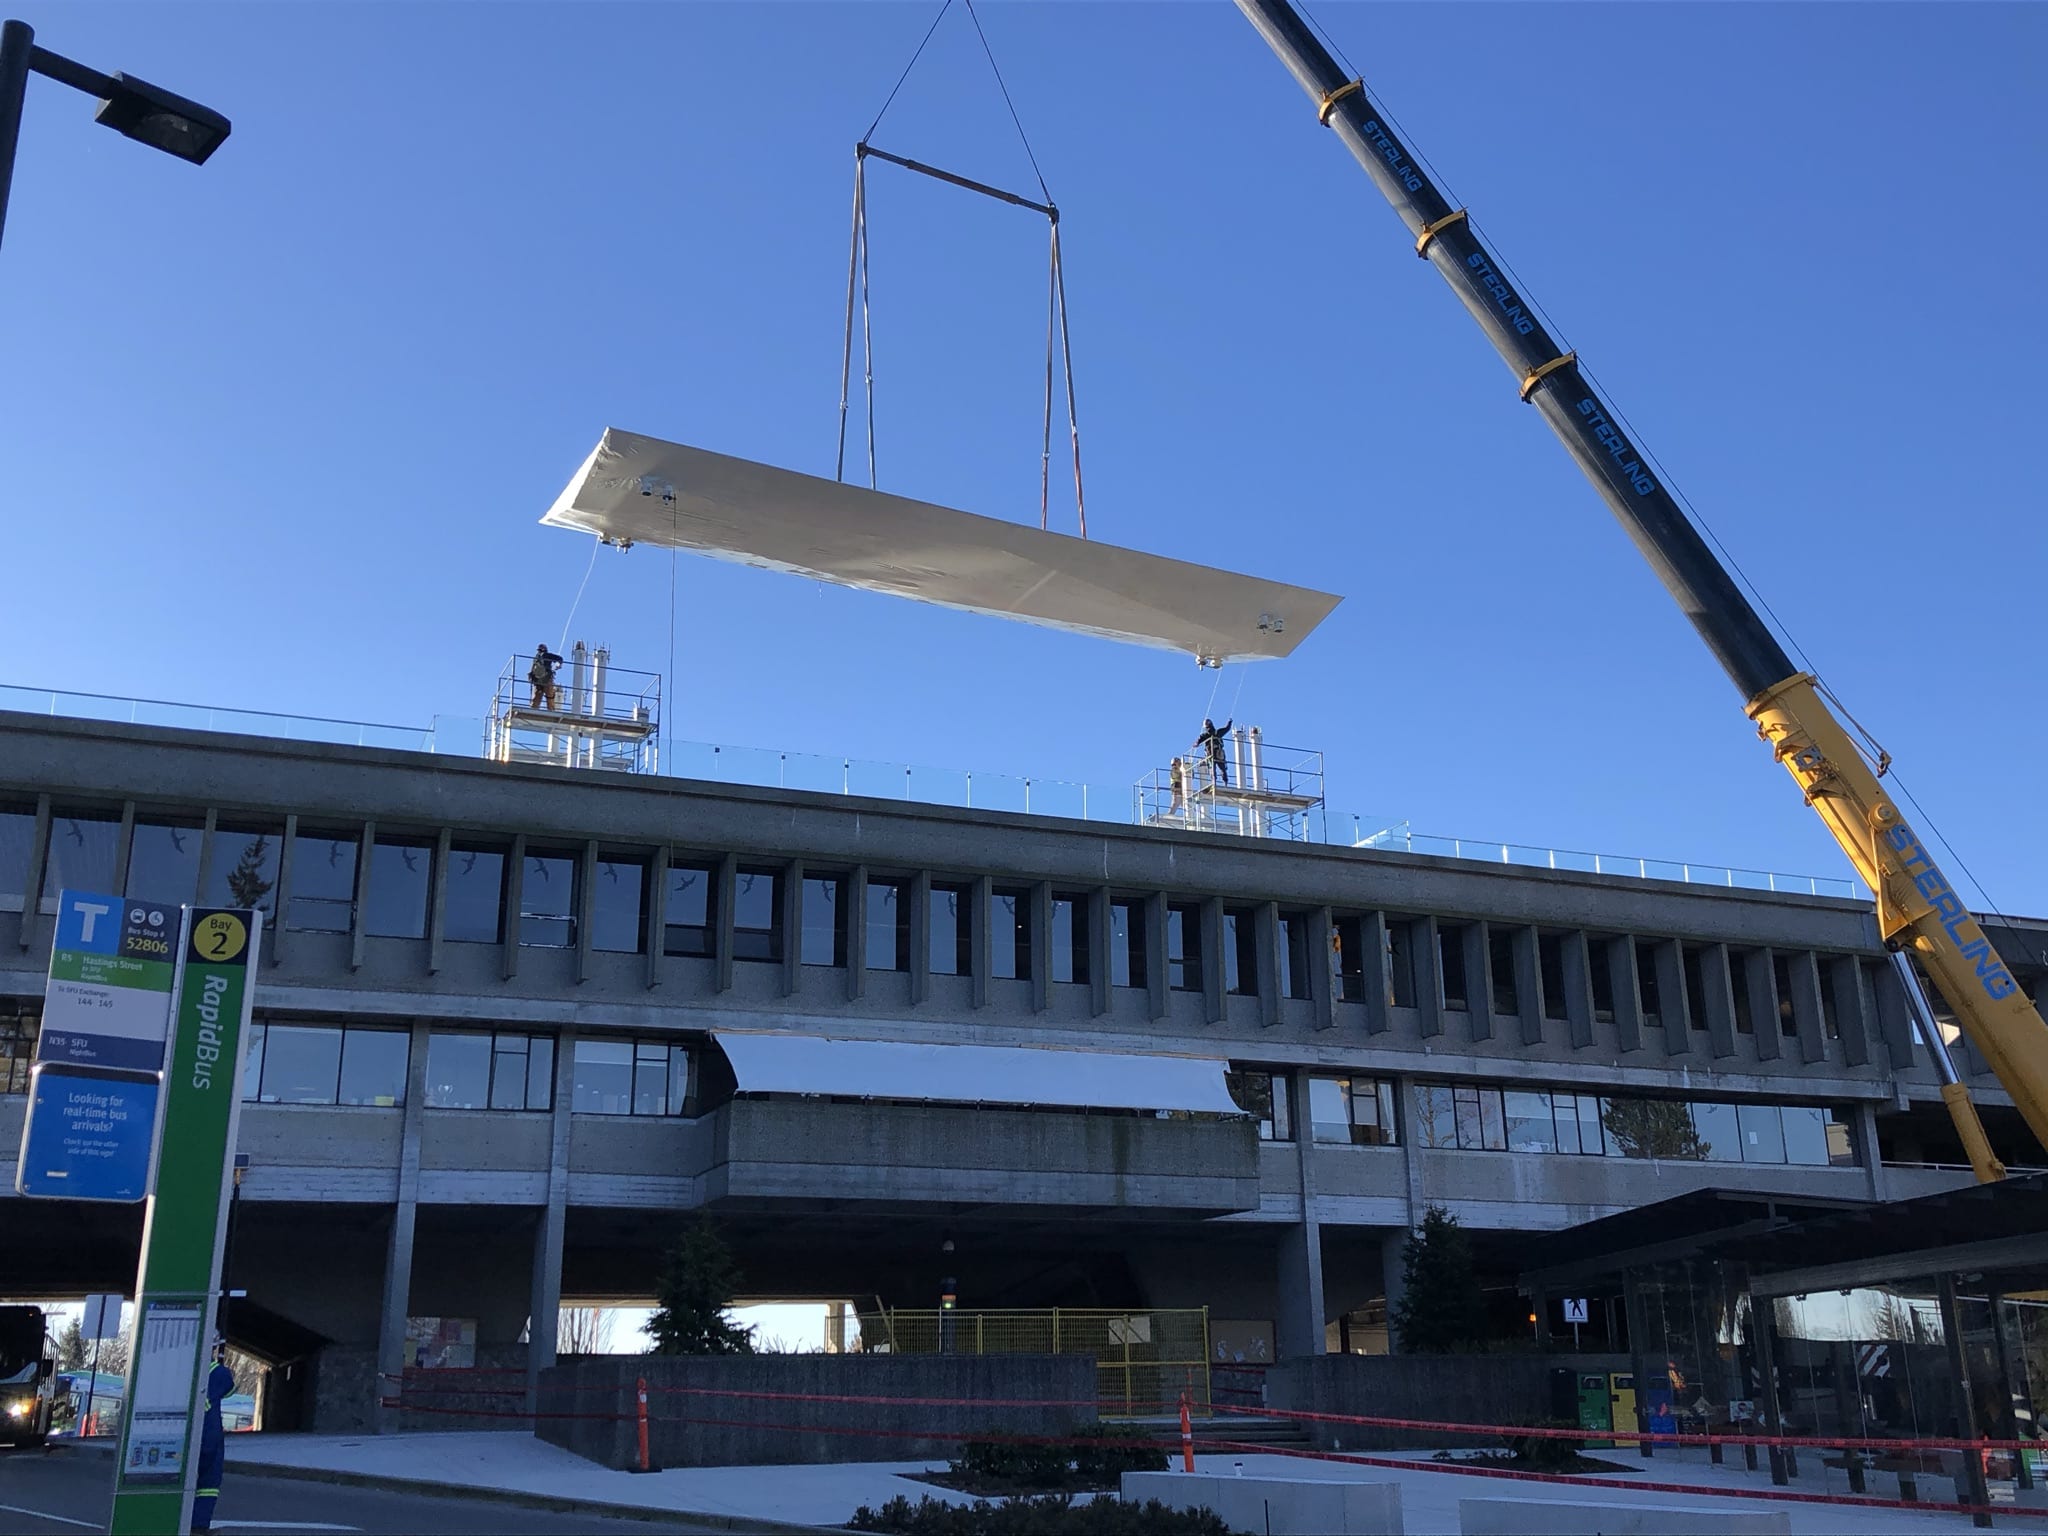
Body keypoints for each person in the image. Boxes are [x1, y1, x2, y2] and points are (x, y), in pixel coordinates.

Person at [191, 1343, 234, 1533]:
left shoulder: (184, 1370)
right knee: (208, 1482)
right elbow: (230, 1388)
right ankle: (198, 1526)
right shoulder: (217, 1373)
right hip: (209, 1434)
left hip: (184, 1433)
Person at [529, 643, 564, 711]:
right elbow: (560, 658)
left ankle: (533, 710)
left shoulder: (536, 658)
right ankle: (551, 711)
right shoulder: (548, 655)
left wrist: (531, 677)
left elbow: (532, 670)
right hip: (547, 679)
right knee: (550, 696)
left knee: (537, 697)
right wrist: (559, 665)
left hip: (538, 680)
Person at [1197, 717, 1232, 786]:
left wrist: (1196, 743)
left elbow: (1198, 741)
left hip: (1212, 754)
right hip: (1216, 753)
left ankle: (1216, 782)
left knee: (1214, 769)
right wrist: (1229, 722)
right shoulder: (1217, 733)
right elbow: (1227, 728)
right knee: (1220, 768)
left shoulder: (1206, 735)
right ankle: (1224, 782)